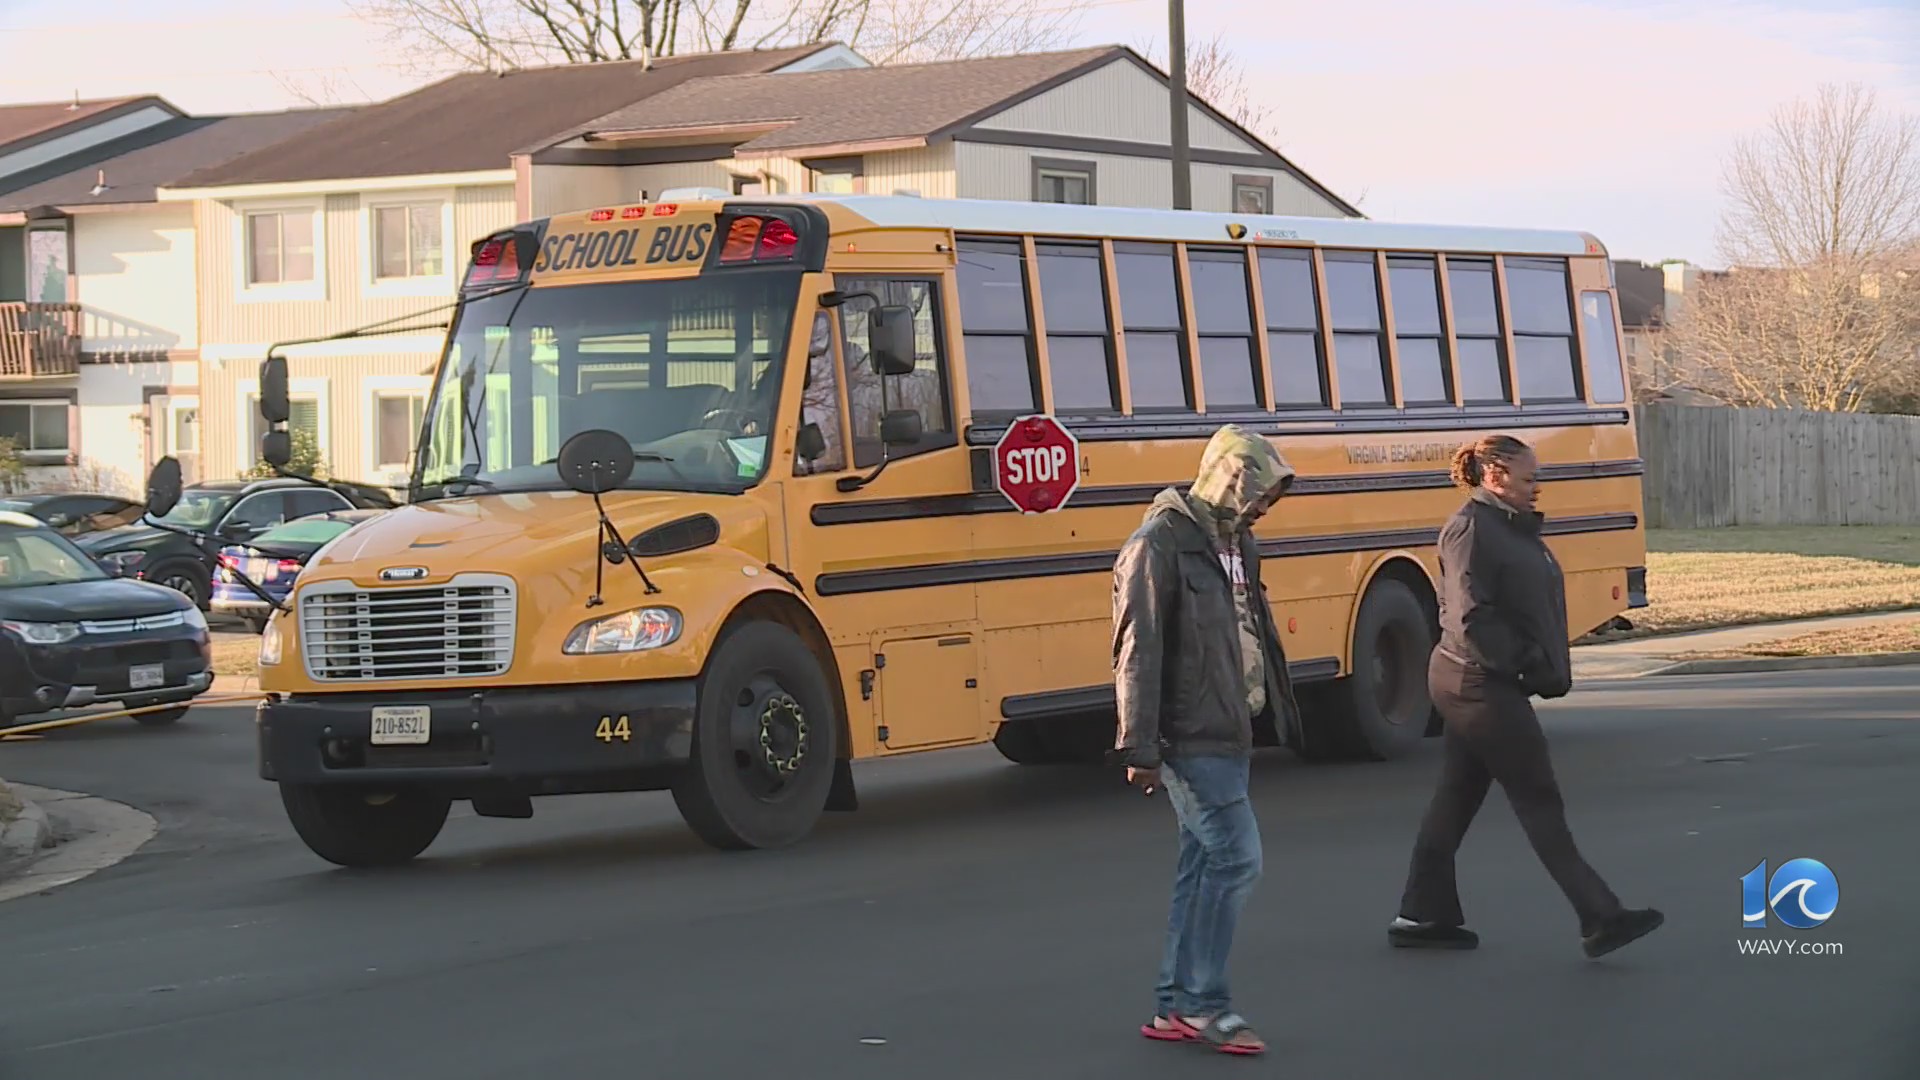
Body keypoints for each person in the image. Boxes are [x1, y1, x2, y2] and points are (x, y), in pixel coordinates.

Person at [1389, 433, 1663, 958]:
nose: (1538, 488)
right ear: (1495, 475)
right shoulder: (1471, 529)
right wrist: (1523, 663)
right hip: (1476, 684)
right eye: (1529, 478)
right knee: (1537, 795)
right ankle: (1599, 916)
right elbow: (1469, 617)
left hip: (1480, 680)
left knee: (1457, 796)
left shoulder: (1507, 526)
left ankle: (1420, 914)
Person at [1111, 423, 1303, 1056]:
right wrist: (1140, 746)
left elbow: (1252, 629)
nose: (1262, 508)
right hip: (1189, 734)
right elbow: (1137, 648)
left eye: (1270, 498)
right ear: (1226, 476)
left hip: (1231, 725)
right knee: (1236, 857)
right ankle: (1205, 1004)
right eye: (1257, 492)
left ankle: (1173, 1004)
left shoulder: (1235, 544)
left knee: (1200, 867)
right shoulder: (1158, 543)